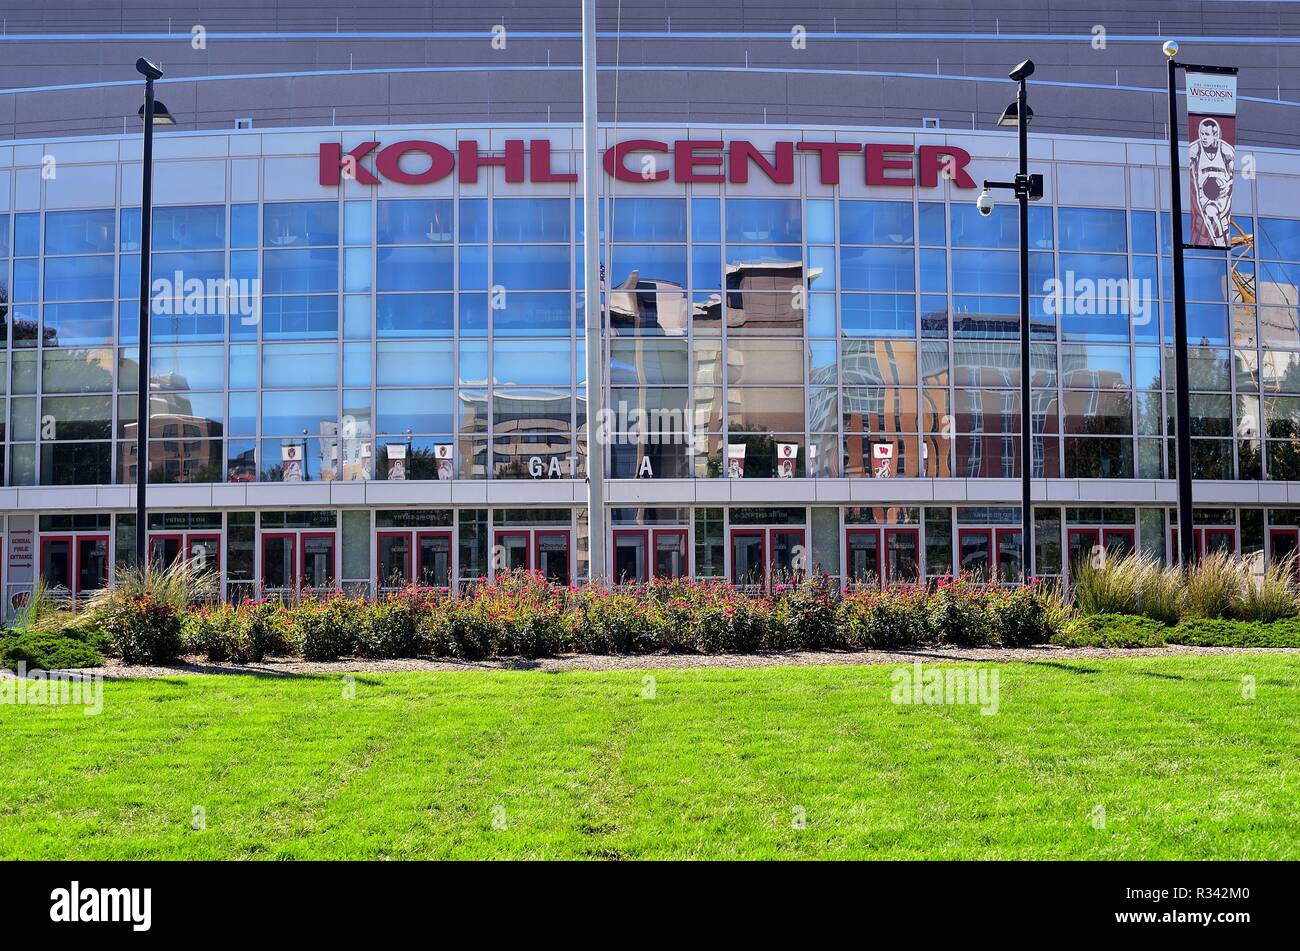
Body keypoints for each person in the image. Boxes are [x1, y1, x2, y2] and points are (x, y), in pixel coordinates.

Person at [1188, 117, 1235, 247]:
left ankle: (1221, 244)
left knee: (1220, 219)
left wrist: (1228, 185)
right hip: (1204, 192)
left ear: (1215, 135)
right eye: (1201, 134)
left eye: (1207, 134)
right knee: (1208, 216)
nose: (1203, 137)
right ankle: (1219, 245)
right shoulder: (1195, 149)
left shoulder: (1225, 150)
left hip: (1221, 193)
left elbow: (1236, 172)